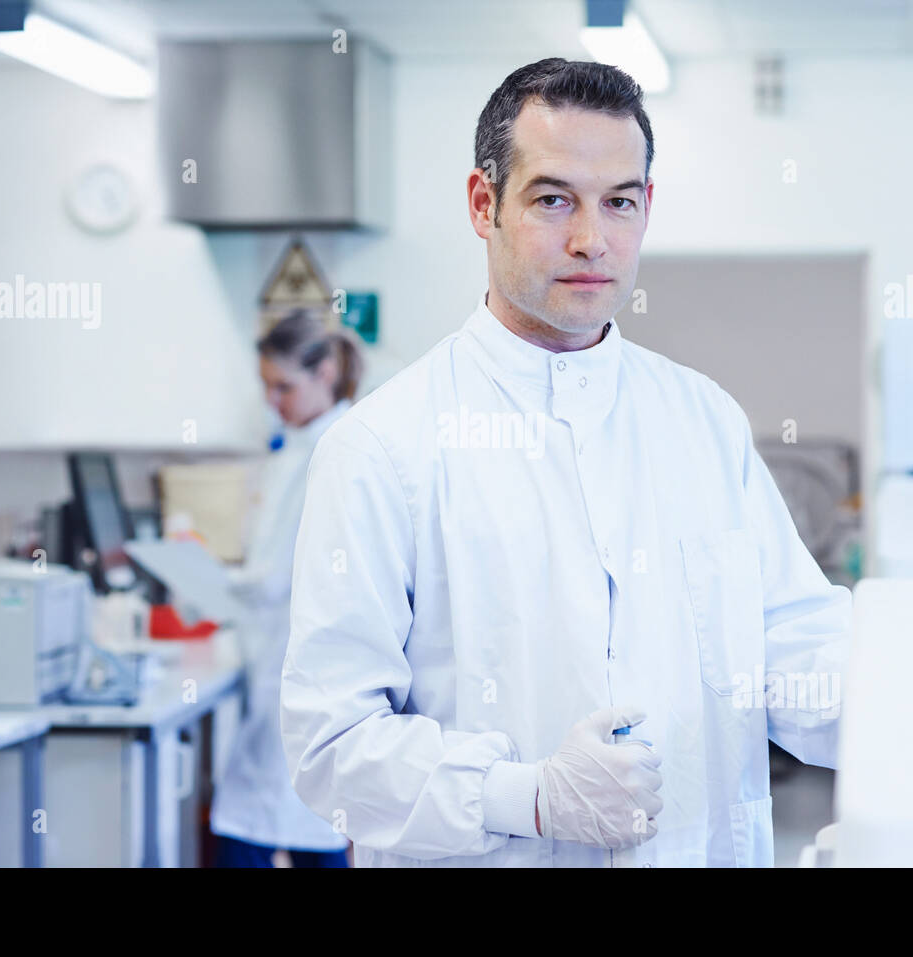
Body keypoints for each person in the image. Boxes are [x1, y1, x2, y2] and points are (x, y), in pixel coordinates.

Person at [280, 59, 852, 867]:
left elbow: (786, 645)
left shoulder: (703, 419)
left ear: (646, 208)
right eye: (553, 200)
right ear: (485, 205)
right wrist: (529, 797)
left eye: (619, 201)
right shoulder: (384, 446)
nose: (591, 239)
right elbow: (330, 747)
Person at [210, 310, 363, 868]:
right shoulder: (301, 446)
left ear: (325, 372)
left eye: (284, 386)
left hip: (303, 673)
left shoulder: (331, 451)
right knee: (288, 822)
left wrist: (204, 578)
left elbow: (272, 581)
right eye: (266, 386)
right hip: (282, 667)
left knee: (277, 823)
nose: (273, 400)